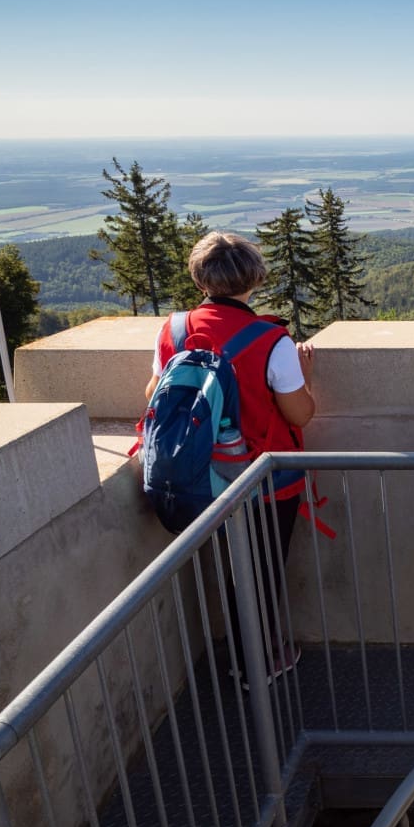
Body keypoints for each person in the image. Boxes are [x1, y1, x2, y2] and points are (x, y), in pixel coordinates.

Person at [144, 231, 316, 678]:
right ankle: (253, 667)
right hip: (265, 481)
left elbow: (153, 394)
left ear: (201, 278)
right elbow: (299, 415)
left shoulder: (174, 331)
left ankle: (248, 660)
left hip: (200, 479)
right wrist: (306, 375)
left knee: (235, 572)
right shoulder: (272, 341)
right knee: (261, 574)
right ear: (252, 280)